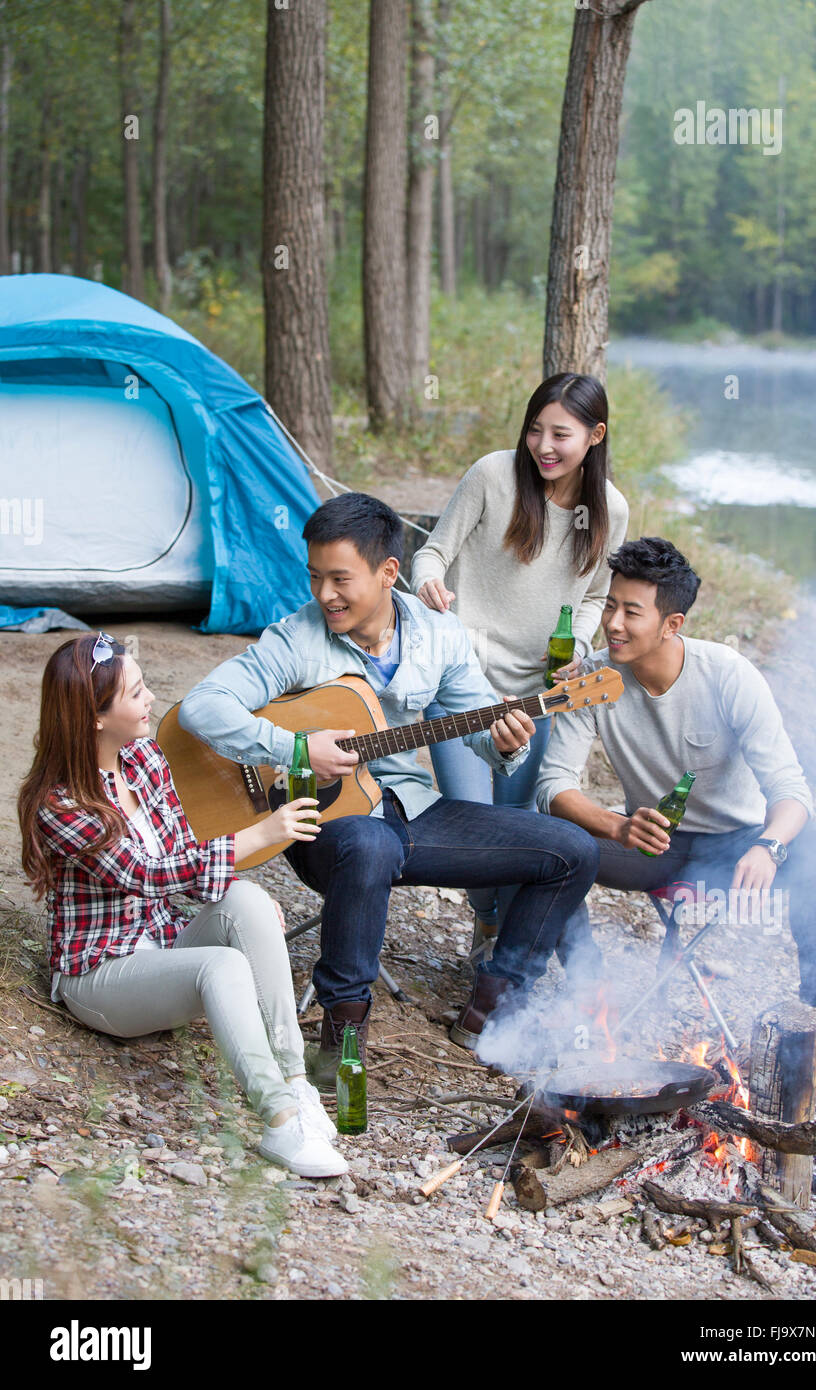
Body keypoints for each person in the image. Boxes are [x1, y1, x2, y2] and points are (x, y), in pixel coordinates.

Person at [179, 493, 601, 1072]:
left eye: (340, 578)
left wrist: (505, 740)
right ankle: (340, 1043)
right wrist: (293, 746)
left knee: (573, 850)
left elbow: (478, 722)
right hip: (318, 824)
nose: (324, 594)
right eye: (315, 577)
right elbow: (202, 708)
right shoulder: (295, 639)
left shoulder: (440, 635)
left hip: (413, 811)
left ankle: (494, 1009)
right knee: (369, 843)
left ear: (388, 572)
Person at [535, 537, 816, 1110]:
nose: (613, 623)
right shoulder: (595, 681)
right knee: (550, 846)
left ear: (671, 622)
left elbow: (791, 791)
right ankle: (591, 990)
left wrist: (770, 848)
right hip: (649, 840)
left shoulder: (727, 675)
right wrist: (615, 825)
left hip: (737, 842)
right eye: (611, 606)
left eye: (632, 612)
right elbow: (553, 784)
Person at [17, 633, 348, 1177]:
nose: (152, 698)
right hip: (101, 972)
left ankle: (296, 1082)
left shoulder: (145, 757)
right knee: (221, 963)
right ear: (96, 717)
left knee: (246, 899)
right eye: (137, 692)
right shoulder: (61, 802)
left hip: (162, 939)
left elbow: (181, 859)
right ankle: (280, 1122)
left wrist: (249, 907)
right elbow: (144, 874)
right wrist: (258, 834)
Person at [411, 373, 628, 943]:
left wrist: (578, 647)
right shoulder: (492, 475)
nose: (544, 447)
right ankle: (486, 918)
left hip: (538, 694)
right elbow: (432, 552)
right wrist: (429, 584)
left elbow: (597, 596)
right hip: (460, 684)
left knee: (519, 829)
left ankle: (498, 954)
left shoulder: (610, 509)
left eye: (561, 434)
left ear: (595, 436)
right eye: (535, 431)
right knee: (472, 827)